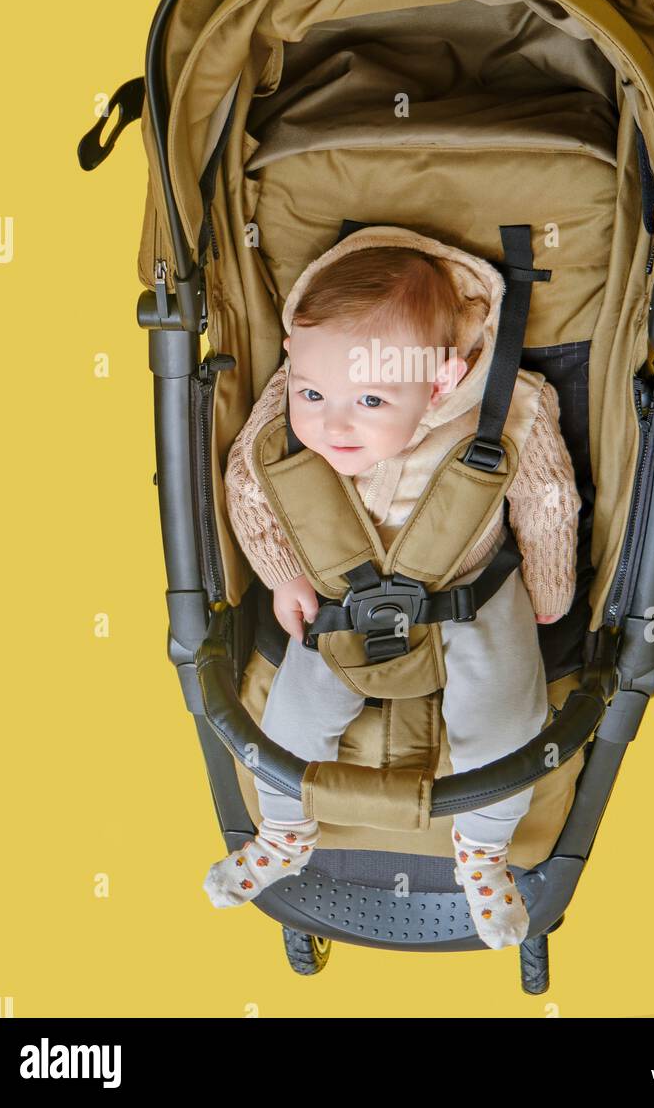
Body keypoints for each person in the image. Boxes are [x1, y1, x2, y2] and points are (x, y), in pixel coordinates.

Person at [203, 226, 581, 948]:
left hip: (472, 582)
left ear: (439, 379)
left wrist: (549, 581)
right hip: (336, 587)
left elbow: (548, 499)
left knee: (508, 712)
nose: (331, 422)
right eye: (313, 390)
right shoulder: (292, 407)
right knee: (289, 719)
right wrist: (281, 574)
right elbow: (249, 484)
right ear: (293, 358)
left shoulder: (506, 407)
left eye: (370, 401)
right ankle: (284, 834)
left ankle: (482, 851)